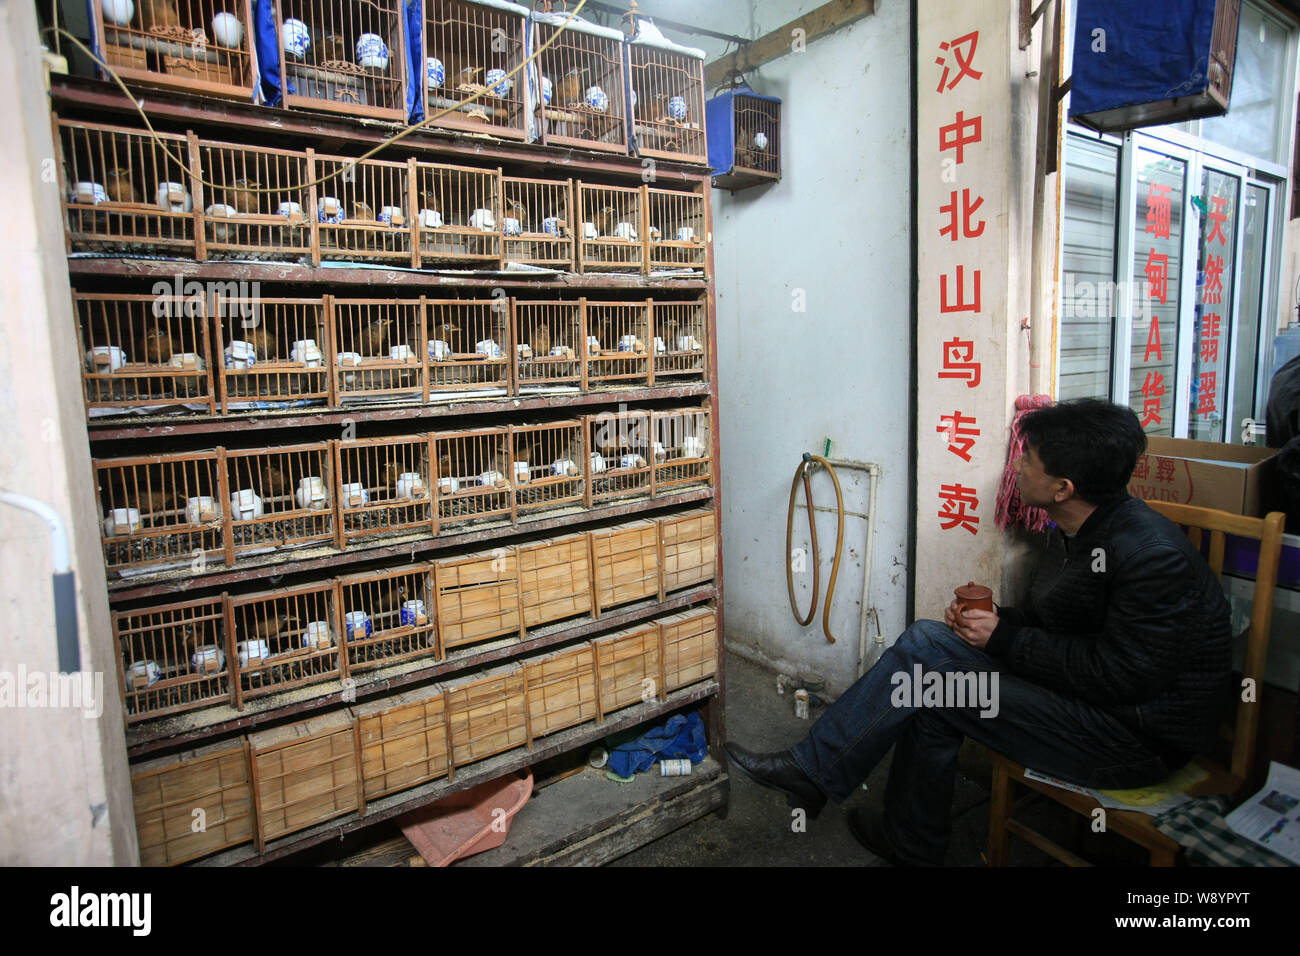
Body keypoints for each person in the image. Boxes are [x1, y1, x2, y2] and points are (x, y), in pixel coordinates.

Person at [725, 399, 1232, 866]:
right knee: (928, 655)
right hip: (1083, 699)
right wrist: (997, 624)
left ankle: (831, 785)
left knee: (931, 678)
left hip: (1129, 739)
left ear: (1063, 488)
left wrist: (1002, 639)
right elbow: (1059, 624)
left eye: (1027, 459)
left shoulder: (1150, 556)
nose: (1015, 466)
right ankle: (897, 832)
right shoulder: (1080, 527)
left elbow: (1121, 677)